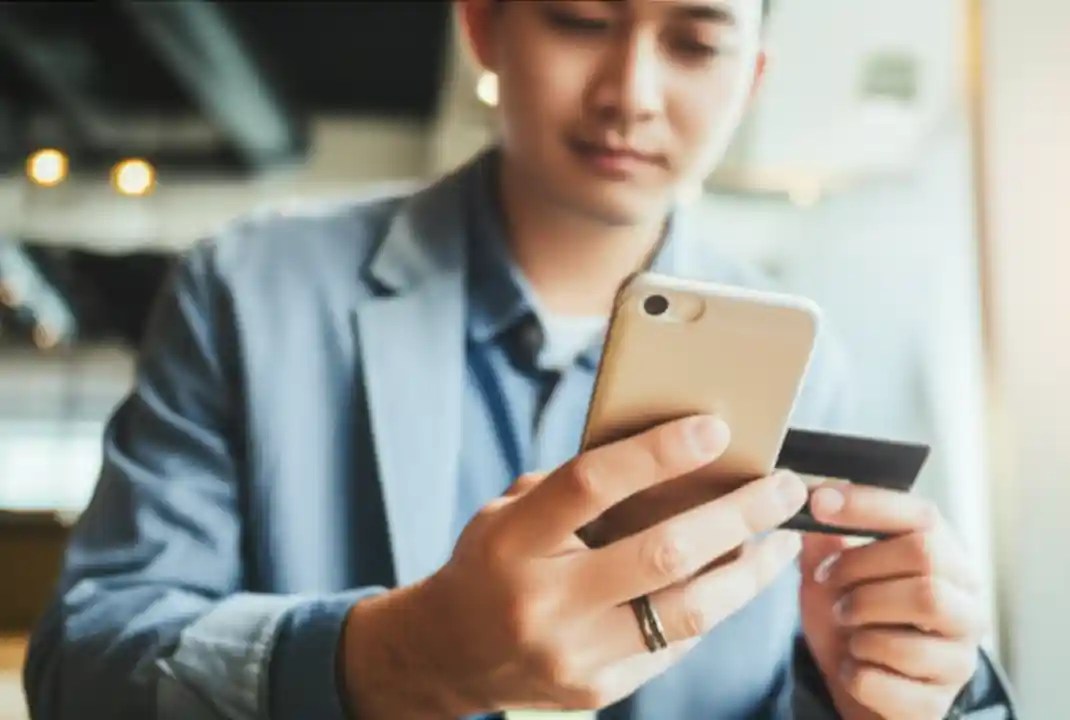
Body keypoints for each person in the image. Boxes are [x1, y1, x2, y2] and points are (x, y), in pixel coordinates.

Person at [24, 1, 1016, 718]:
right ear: (483, 29)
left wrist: (900, 687)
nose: (630, 93)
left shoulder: (807, 351)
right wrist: (400, 659)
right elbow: (80, 670)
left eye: (696, 39)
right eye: (580, 19)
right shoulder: (249, 289)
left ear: (748, 75)